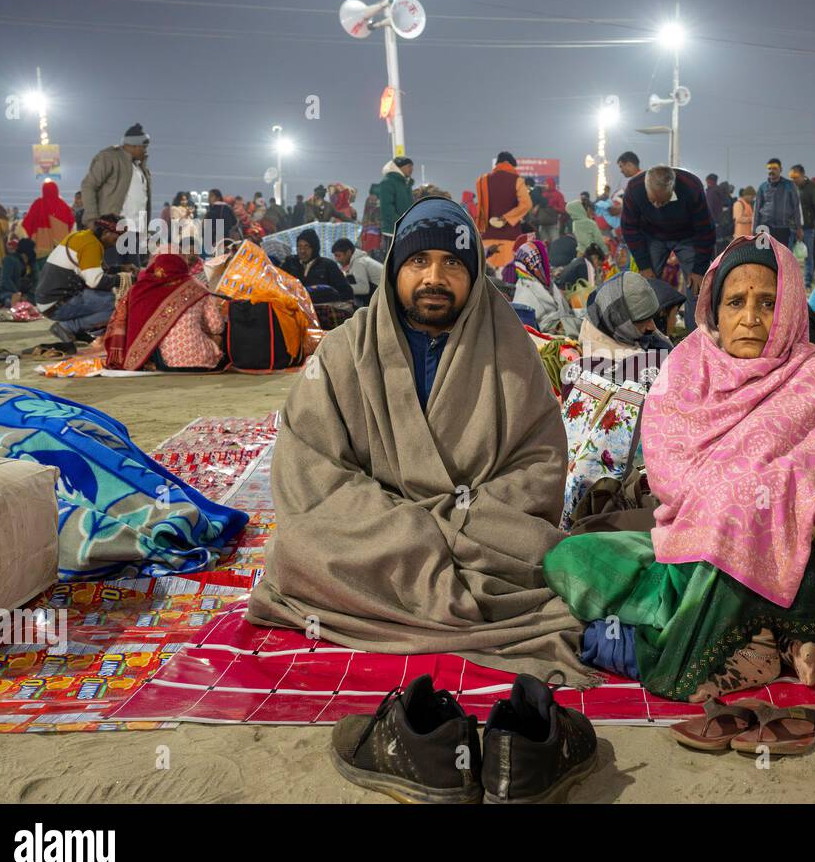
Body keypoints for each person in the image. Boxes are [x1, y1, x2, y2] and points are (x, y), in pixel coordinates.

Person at [542, 234, 815, 703]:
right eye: (735, 301)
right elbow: (669, 473)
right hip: (693, 542)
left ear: (792, 308)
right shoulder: (685, 366)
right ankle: (777, 637)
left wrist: (764, 494)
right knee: (568, 557)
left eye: (768, 303)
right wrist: (730, 496)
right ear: (714, 310)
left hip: (801, 556)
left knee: (740, 520)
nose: (751, 318)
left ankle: (749, 640)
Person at [245, 195, 590, 681]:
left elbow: (539, 464)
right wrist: (410, 527)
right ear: (394, 270)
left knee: (541, 553)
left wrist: (451, 524)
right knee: (294, 549)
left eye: (452, 262)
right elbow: (310, 461)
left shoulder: (510, 348)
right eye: (418, 261)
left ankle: (410, 592)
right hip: (379, 534)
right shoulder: (345, 349)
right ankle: (449, 591)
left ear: (473, 271)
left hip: (482, 535)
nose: (435, 277)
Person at [621, 164, 715, 332]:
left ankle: (695, 335)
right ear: (646, 187)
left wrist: (699, 269)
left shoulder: (691, 187)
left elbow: (706, 229)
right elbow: (629, 228)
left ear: (672, 188)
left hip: (687, 237)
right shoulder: (634, 188)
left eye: (662, 201)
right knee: (644, 285)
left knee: (697, 287)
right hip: (652, 236)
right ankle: (647, 332)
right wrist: (644, 265)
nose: (657, 205)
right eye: (652, 200)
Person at [104, 249, 226, 371]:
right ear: (182, 264)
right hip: (200, 361)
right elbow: (217, 327)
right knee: (219, 337)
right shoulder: (198, 287)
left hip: (163, 362)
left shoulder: (140, 290)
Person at [35, 214, 128, 342]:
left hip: (49, 300)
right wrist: (125, 279)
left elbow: (90, 271)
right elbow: (95, 281)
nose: (117, 243)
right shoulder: (91, 245)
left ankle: (78, 330)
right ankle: (68, 327)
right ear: (106, 232)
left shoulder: (83, 236)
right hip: (57, 304)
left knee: (106, 294)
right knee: (117, 304)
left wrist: (121, 269)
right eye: (117, 238)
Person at [577, 271, 673, 385]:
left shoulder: (615, 328)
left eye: (652, 318)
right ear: (619, 320)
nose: (652, 327)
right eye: (643, 321)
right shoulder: (600, 359)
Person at [81, 124, 152, 268]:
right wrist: (92, 219)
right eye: (143, 147)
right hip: (113, 231)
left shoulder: (140, 168)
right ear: (132, 145)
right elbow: (88, 185)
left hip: (134, 231)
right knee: (112, 273)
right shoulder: (110, 157)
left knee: (133, 276)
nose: (145, 150)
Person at [472, 152, 533, 270]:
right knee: (507, 278)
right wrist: (507, 218)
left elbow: (481, 211)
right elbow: (526, 204)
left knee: (488, 278)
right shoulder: (517, 180)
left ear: (497, 164)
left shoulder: (482, 181)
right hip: (510, 237)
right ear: (511, 164)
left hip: (487, 237)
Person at [509, 236, 580, 337]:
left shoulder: (543, 283)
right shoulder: (527, 292)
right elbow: (545, 328)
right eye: (545, 260)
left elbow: (564, 312)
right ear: (536, 264)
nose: (548, 263)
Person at [22, 180, 76, 274]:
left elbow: (27, 223)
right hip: (58, 249)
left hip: (40, 248)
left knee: (40, 276)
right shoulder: (63, 206)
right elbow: (71, 222)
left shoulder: (37, 204)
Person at [292, 227, 352, 303]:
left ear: (314, 247)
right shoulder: (291, 264)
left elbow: (346, 293)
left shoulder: (328, 265)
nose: (302, 251)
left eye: (306, 246)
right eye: (299, 246)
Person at [753, 158, 801, 249]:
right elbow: (757, 209)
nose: (771, 171)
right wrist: (755, 229)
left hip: (784, 227)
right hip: (765, 228)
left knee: (783, 256)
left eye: (774, 168)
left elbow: (796, 207)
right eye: (769, 168)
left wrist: (799, 228)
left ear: (780, 169)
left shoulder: (789, 186)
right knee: (765, 257)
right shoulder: (762, 187)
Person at [791, 164, 815, 286]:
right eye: (792, 177)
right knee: (789, 254)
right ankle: (791, 279)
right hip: (792, 226)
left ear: (802, 175)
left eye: (796, 176)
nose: (793, 179)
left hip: (808, 227)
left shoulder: (811, 188)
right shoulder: (790, 188)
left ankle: (807, 280)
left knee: (808, 254)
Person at [333, 238, 384, 308]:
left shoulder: (358, 262)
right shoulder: (359, 260)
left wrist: (342, 289)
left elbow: (364, 288)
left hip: (384, 295)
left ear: (348, 252)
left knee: (348, 281)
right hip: (381, 291)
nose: (337, 260)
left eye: (338, 256)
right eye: (335, 256)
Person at [378, 156, 415, 245]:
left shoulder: (406, 183)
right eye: (409, 166)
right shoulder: (387, 182)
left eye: (412, 166)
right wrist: (401, 223)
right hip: (393, 231)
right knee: (394, 258)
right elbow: (387, 209)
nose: (412, 169)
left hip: (406, 229)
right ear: (400, 167)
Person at [0, 238, 38, 307]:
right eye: (33, 249)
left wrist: (27, 295)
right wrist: (18, 294)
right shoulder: (9, 259)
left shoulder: (31, 263)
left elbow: (36, 280)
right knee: (11, 299)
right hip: (9, 292)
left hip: (26, 294)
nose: (35, 251)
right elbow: (6, 280)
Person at [201, 189, 242, 255]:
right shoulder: (228, 209)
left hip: (214, 244)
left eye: (211, 196)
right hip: (228, 242)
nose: (209, 198)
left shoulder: (211, 212)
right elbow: (234, 223)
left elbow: (206, 230)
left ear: (218, 197)